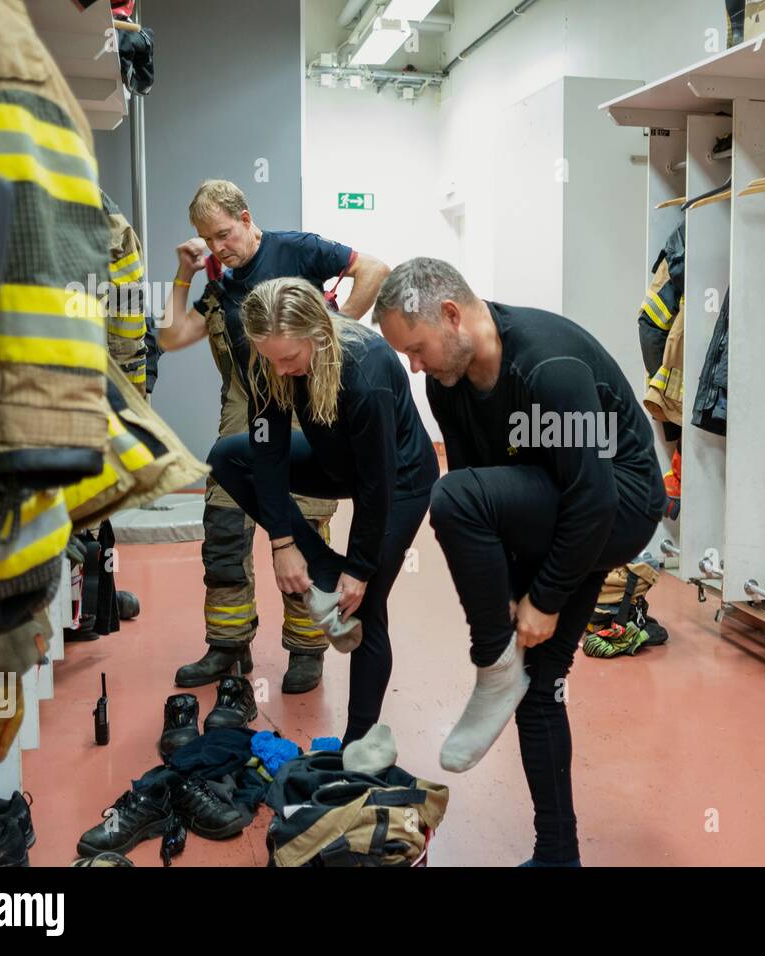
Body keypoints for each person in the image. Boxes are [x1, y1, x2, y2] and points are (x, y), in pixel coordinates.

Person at [374, 258, 666, 867]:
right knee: (541, 686)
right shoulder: (447, 385)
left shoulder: (548, 366)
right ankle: (557, 855)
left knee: (451, 499)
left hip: (620, 502)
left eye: (417, 348)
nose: (414, 366)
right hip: (556, 500)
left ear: (451, 315)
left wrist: (545, 598)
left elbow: (592, 497)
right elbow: (489, 494)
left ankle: (493, 665)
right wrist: (511, 595)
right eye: (406, 355)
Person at [159, 180, 390, 694]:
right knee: (223, 529)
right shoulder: (220, 281)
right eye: (207, 239)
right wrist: (183, 274)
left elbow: (374, 268)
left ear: (245, 217)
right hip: (247, 406)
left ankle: (307, 650)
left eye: (224, 233)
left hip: (309, 401)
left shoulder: (297, 249)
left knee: (301, 519)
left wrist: (335, 333)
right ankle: (227, 644)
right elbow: (172, 336)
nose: (219, 247)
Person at [207, 277, 438, 745]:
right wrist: (284, 543)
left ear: (318, 334)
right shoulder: (269, 359)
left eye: (290, 358)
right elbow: (267, 450)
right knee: (229, 456)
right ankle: (325, 566)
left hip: (400, 478)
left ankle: (357, 744)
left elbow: (377, 484)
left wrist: (361, 568)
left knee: (366, 605)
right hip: (334, 460)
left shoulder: (365, 367)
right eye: (271, 358)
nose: (282, 369)